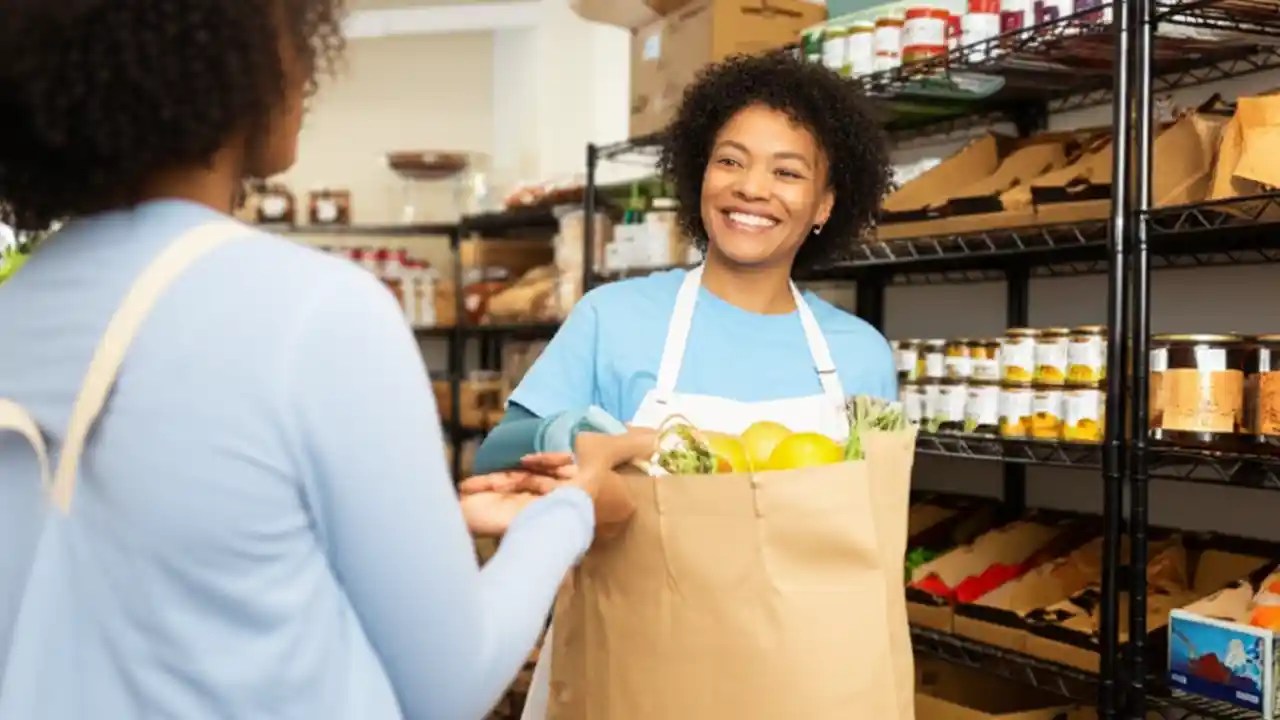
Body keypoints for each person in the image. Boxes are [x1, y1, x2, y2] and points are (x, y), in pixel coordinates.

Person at [0, 3, 650, 719]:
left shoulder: (19, 311)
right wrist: (564, 514)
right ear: (215, 56)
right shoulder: (315, 313)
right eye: (288, 32)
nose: (308, 68)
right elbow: (449, 687)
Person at [465, 51, 898, 719]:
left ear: (825, 204)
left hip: (804, 687)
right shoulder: (615, 316)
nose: (751, 188)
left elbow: (869, 549)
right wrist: (608, 438)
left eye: (787, 172)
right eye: (730, 160)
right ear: (700, 172)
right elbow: (497, 457)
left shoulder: (859, 356)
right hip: (635, 675)